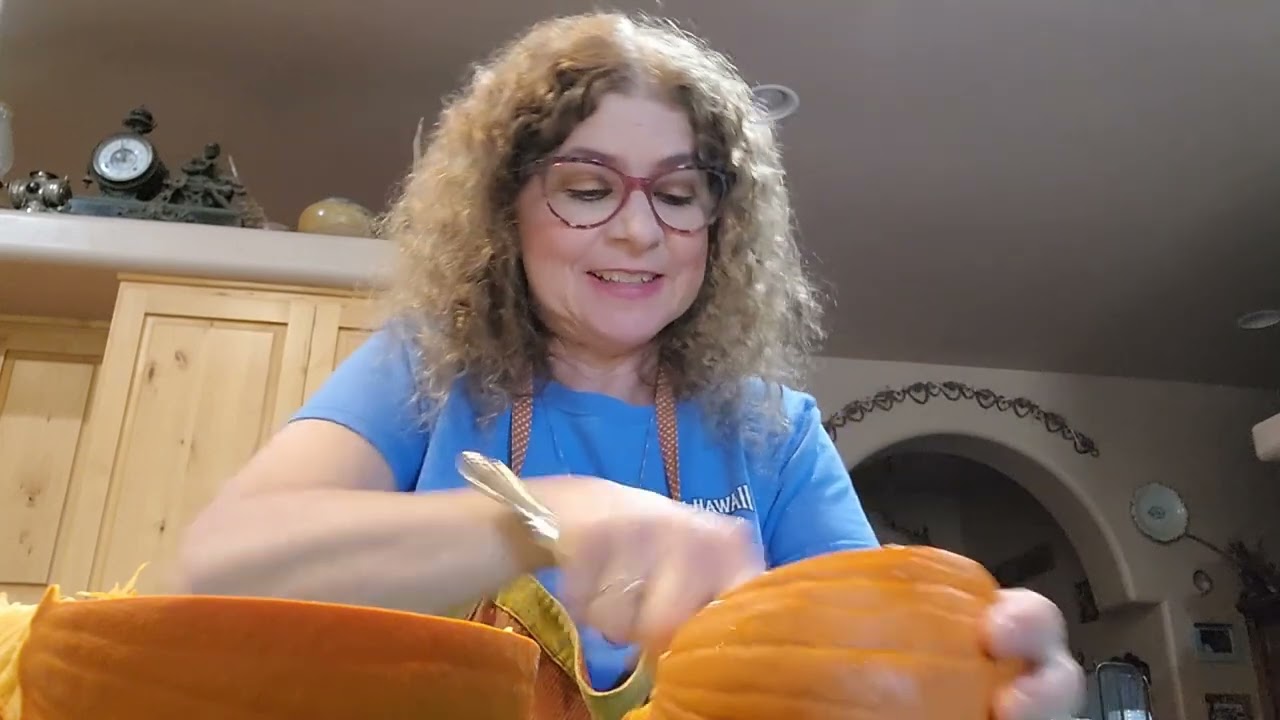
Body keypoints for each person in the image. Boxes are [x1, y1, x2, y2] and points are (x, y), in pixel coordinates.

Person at [179, 12, 1083, 719]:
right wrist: (541, 522)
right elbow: (216, 568)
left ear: (717, 228)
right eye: (586, 187)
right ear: (508, 211)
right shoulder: (425, 372)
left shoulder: (774, 432)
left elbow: (870, 674)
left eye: (678, 194)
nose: (640, 229)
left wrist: (980, 682)